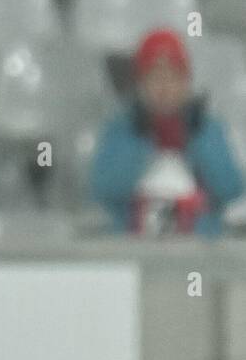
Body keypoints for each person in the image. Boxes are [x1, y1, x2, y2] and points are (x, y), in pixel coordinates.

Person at [91, 29, 244, 237]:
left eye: (173, 77)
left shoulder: (207, 128)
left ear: (186, 82)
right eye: (155, 78)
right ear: (140, 84)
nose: (165, 88)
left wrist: (195, 139)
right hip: (132, 243)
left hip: (199, 246)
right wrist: (143, 140)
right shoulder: (121, 129)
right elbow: (104, 189)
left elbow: (231, 189)